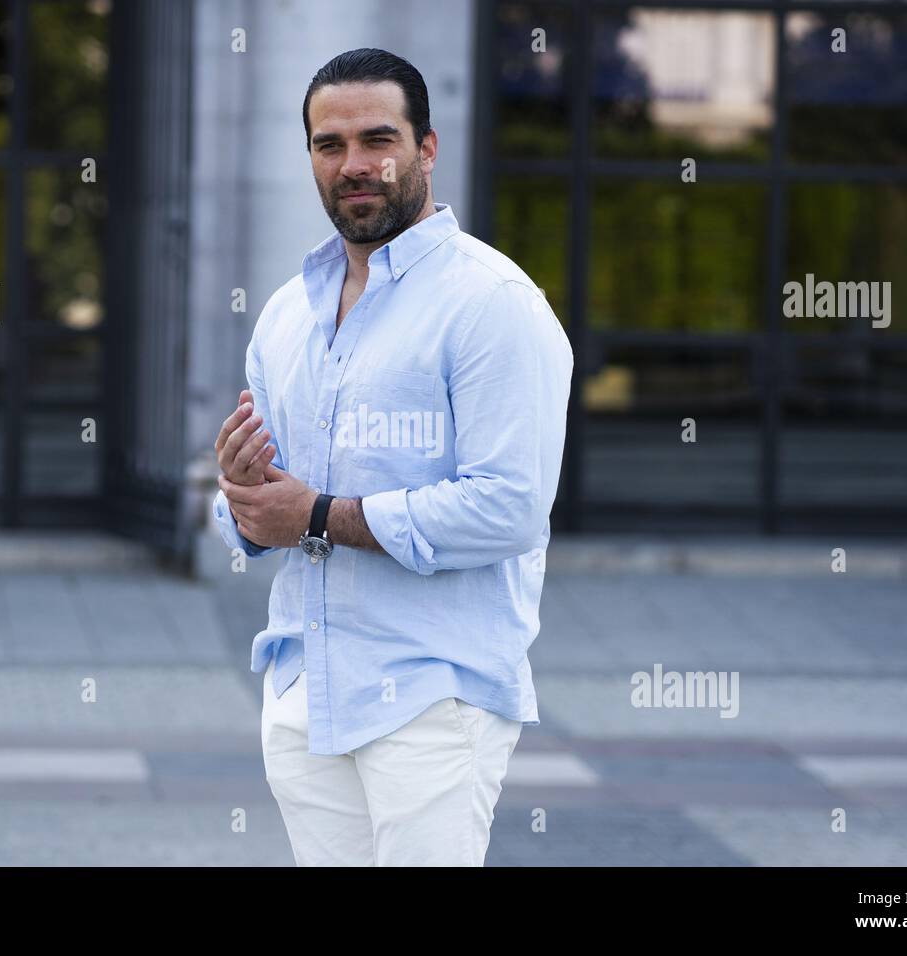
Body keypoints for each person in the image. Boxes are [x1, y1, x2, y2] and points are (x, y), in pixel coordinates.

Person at [212, 47, 573, 866]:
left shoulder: (491, 306)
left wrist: (311, 515)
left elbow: (510, 508)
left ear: (427, 148)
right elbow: (263, 503)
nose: (355, 165)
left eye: (378, 139)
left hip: (432, 696)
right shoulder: (286, 313)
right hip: (309, 688)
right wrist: (237, 497)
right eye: (328, 145)